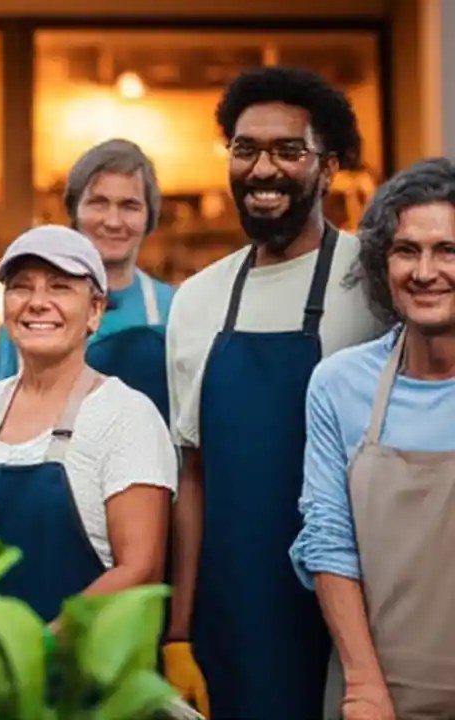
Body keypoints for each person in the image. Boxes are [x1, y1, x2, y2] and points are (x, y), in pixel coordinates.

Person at [162, 66, 389, 719]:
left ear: (330, 167)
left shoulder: (376, 283)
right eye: (245, 148)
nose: (263, 169)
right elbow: (193, 475)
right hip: (231, 620)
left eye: (289, 151)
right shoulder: (198, 300)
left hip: (352, 615)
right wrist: (179, 632)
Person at [0, 225, 176, 624]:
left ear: (94, 311)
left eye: (59, 287)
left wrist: (39, 651)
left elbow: (139, 569)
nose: (37, 303)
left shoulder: (127, 416)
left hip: (83, 672)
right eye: (21, 287)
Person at [292, 157, 455, 719]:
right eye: (407, 250)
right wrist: (364, 686)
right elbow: (328, 541)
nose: (426, 271)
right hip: (375, 692)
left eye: (448, 251)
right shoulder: (339, 385)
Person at [0, 140, 175, 420]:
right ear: (74, 211)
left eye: (129, 206)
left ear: (149, 218)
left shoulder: (173, 307)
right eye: (98, 203)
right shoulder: (32, 313)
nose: (112, 221)